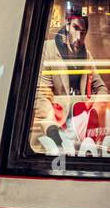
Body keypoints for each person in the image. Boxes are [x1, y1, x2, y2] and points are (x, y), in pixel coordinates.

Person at [30, 12, 109, 153]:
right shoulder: (48, 50)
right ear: (67, 26)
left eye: (83, 33)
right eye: (75, 28)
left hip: (80, 127)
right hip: (54, 125)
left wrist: (96, 110)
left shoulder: (86, 55)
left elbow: (101, 88)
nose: (79, 37)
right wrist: (52, 129)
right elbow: (40, 94)